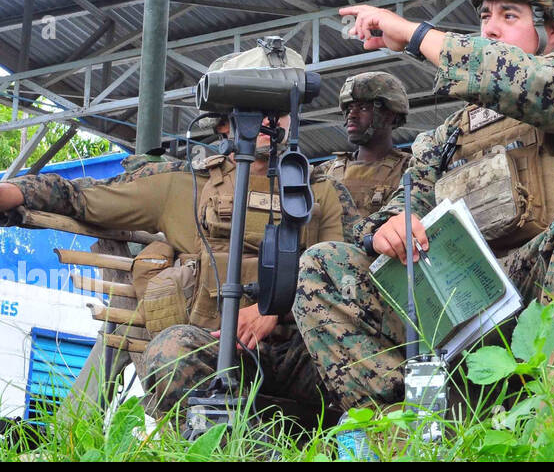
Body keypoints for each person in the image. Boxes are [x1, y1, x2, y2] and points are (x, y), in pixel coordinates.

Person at [292, 0, 554, 411]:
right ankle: (413, 420)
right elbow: (396, 211)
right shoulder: (449, 137)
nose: (491, 30)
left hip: (552, 287)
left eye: (510, 16)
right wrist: (386, 232)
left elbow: (525, 81)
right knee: (324, 263)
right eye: (485, 16)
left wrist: (414, 36)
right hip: (467, 298)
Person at [0, 45, 360, 418]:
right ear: (225, 123)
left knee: (360, 348)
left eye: (280, 111)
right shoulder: (183, 183)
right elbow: (85, 196)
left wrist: (272, 310)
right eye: (256, 110)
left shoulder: (321, 190)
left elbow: (346, 282)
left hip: (300, 354)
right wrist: (15, 192)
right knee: (170, 350)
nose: (271, 122)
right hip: (220, 353)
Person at [311, 71, 411, 214]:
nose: (352, 115)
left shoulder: (410, 169)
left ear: (390, 115)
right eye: (350, 108)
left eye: (363, 108)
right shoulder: (323, 173)